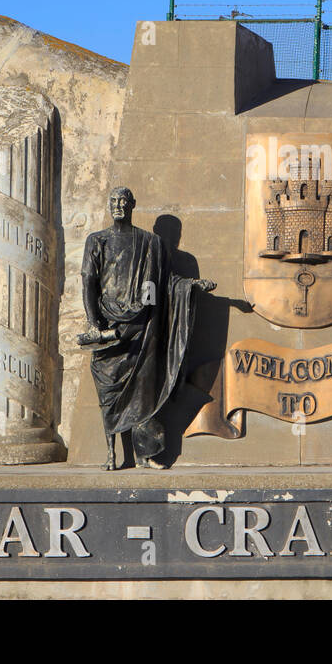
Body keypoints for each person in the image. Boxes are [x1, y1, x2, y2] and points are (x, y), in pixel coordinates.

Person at [81, 187, 214, 469]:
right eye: (114, 201)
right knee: (108, 392)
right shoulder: (97, 240)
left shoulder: (150, 242)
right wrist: (94, 323)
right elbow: (88, 283)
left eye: (124, 202)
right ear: (109, 206)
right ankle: (112, 453)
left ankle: (145, 453)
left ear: (133, 205)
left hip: (143, 330)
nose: (118, 206)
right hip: (109, 328)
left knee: (144, 394)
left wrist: (191, 286)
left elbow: (163, 282)